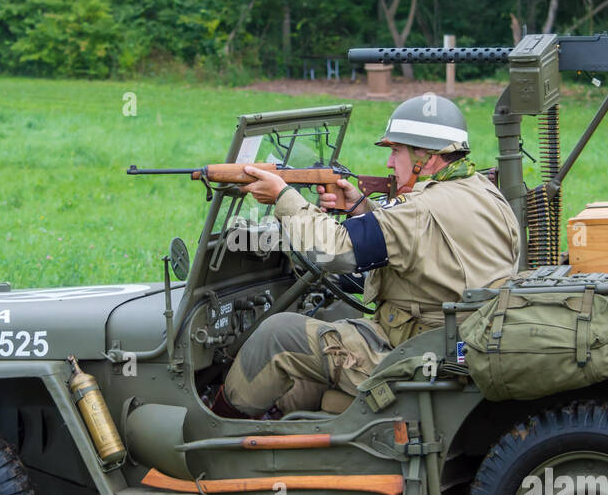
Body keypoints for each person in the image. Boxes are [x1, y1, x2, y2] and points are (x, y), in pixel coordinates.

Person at [212, 94, 521, 418]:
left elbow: (333, 254)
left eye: (396, 150)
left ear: (427, 158)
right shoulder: (483, 191)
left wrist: (284, 198)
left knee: (278, 335)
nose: (389, 162)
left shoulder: (416, 211)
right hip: (457, 345)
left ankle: (217, 426)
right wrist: (362, 208)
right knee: (311, 360)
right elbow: (424, 241)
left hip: (415, 354)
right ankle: (276, 427)